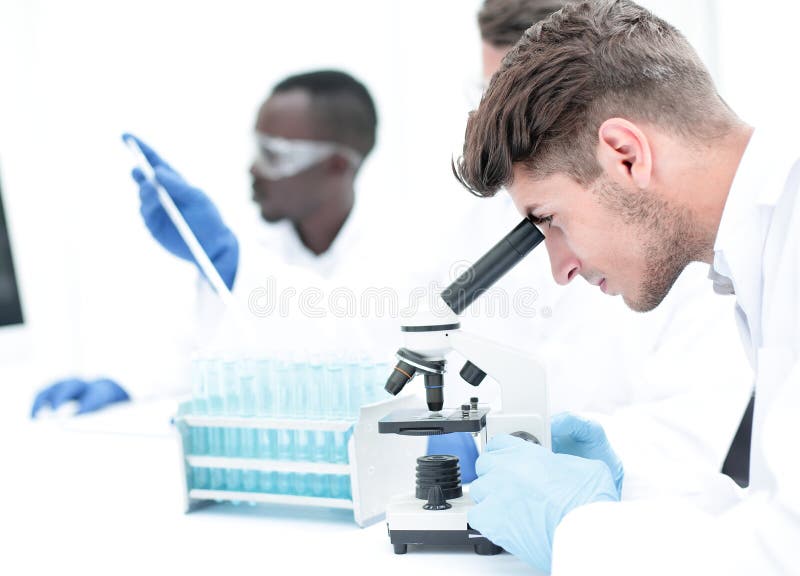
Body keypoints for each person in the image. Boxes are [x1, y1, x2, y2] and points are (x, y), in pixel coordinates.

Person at [453, 0, 799, 573]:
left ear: (625, 155)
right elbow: (773, 511)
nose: (559, 268)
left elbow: (782, 556)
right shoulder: (764, 245)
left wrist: (572, 527)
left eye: (552, 221)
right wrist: (627, 483)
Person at [30, 70, 379, 416]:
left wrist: (226, 260)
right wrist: (123, 384)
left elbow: (353, 355)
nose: (254, 169)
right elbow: (202, 356)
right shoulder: (263, 249)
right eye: (256, 148)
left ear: (337, 165)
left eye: (274, 155)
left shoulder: (404, 257)